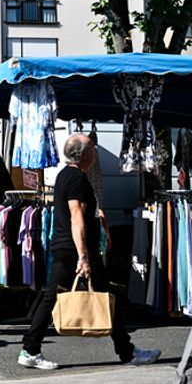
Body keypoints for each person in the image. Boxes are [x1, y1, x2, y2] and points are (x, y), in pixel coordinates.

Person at [19, 133, 160, 370]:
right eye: (92, 148)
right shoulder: (76, 179)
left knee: (98, 296)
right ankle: (30, 349)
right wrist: (83, 257)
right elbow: (77, 217)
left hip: (69, 247)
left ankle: (126, 351)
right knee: (57, 296)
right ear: (83, 154)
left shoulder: (66, 175)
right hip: (74, 250)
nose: (95, 152)